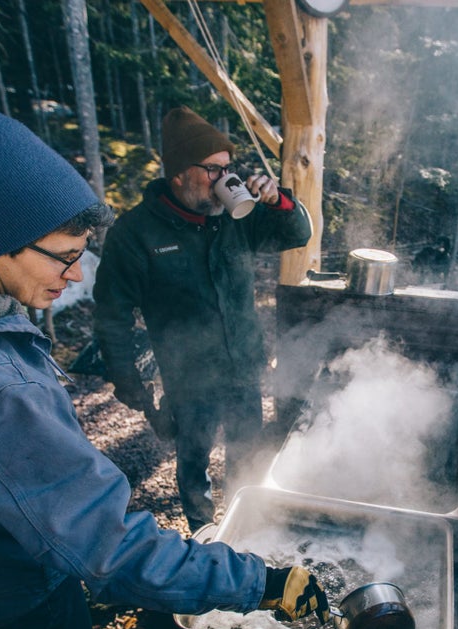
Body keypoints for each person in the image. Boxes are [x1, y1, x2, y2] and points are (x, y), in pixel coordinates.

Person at [0, 86, 326, 629]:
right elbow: (103, 543)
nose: (76, 275)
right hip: (25, 595)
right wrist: (259, 583)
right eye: (66, 256)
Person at [92, 107, 312, 532]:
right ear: (178, 174)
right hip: (188, 377)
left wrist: (279, 200)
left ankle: (245, 529)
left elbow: (297, 234)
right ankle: (204, 532)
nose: (224, 179)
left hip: (243, 364)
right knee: (193, 460)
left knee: (247, 454)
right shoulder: (135, 233)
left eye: (228, 169)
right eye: (213, 170)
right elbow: (112, 315)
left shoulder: (236, 216)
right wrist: (131, 385)